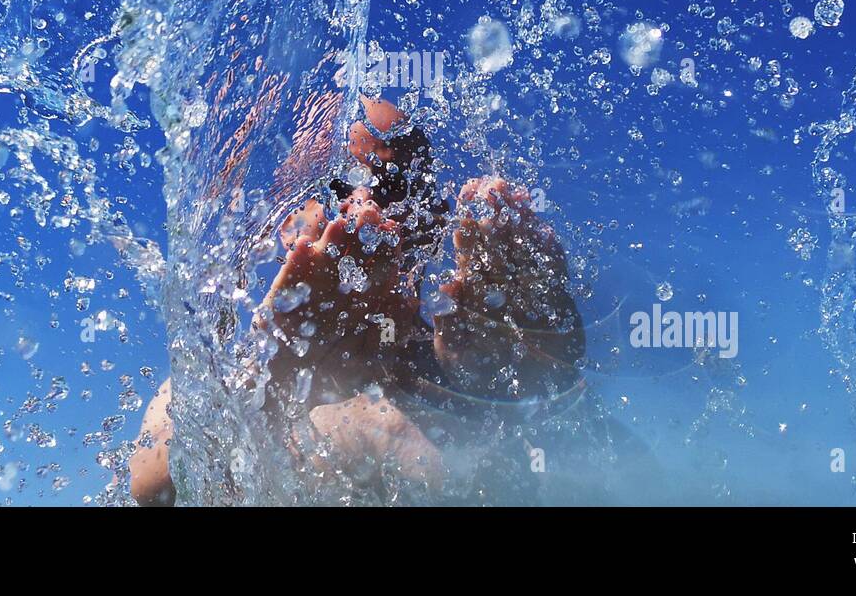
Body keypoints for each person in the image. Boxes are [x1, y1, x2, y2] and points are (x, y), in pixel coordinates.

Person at [128, 98, 598, 506]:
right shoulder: (214, 385)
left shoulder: (448, 365)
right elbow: (157, 493)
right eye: (336, 188)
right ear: (294, 222)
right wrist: (275, 375)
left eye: (397, 188)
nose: (364, 207)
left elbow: (566, 466)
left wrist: (533, 339)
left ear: (432, 224)